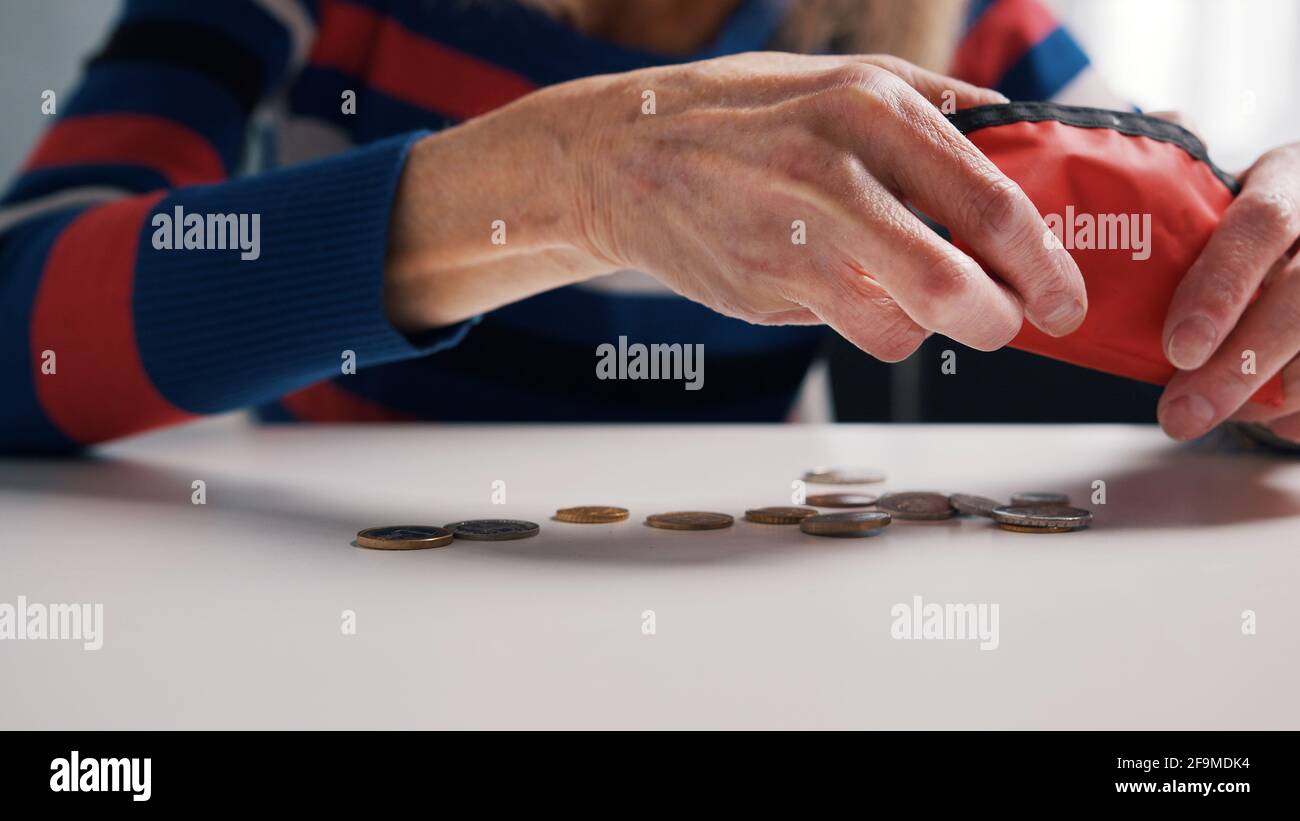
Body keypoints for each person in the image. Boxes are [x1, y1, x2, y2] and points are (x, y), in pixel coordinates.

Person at [2, 0, 1298, 454]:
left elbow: (1209, 293)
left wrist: (1267, 320)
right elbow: (22, 333)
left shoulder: (954, 22)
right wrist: (564, 174)